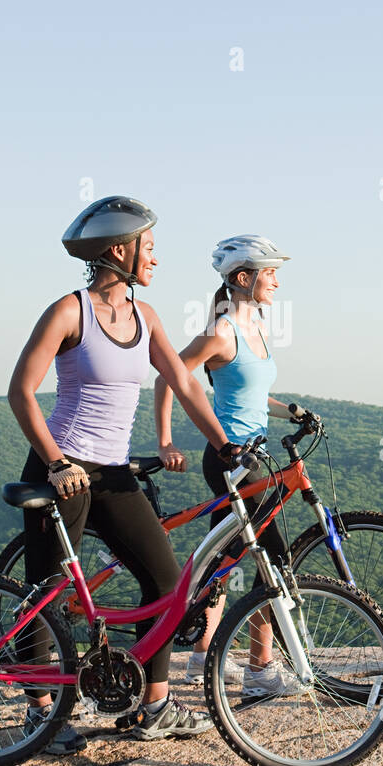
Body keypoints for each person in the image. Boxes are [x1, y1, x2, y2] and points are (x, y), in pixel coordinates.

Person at [7, 195, 239, 753]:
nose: (155, 259)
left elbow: (184, 383)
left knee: (165, 580)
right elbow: (21, 391)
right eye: (149, 249)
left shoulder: (147, 316)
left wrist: (225, 446)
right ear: (119, 250)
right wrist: (57, 462)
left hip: (111, 474)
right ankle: (42, 716)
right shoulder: (69, 311)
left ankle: (153, 704)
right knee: (47, 594)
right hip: (61, 468)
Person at [153, 234, 312, 697]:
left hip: (254, 455)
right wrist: (165, 442)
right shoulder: (221, 331)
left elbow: (250, 394)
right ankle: (260, 672)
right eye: (271, 273)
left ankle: (203, 657)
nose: (277, 282)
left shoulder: (256, 328)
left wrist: (292, 412)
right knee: (273, 562)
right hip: (231, 458)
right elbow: (170, 377)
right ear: (244, 278)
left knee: (227, 557)